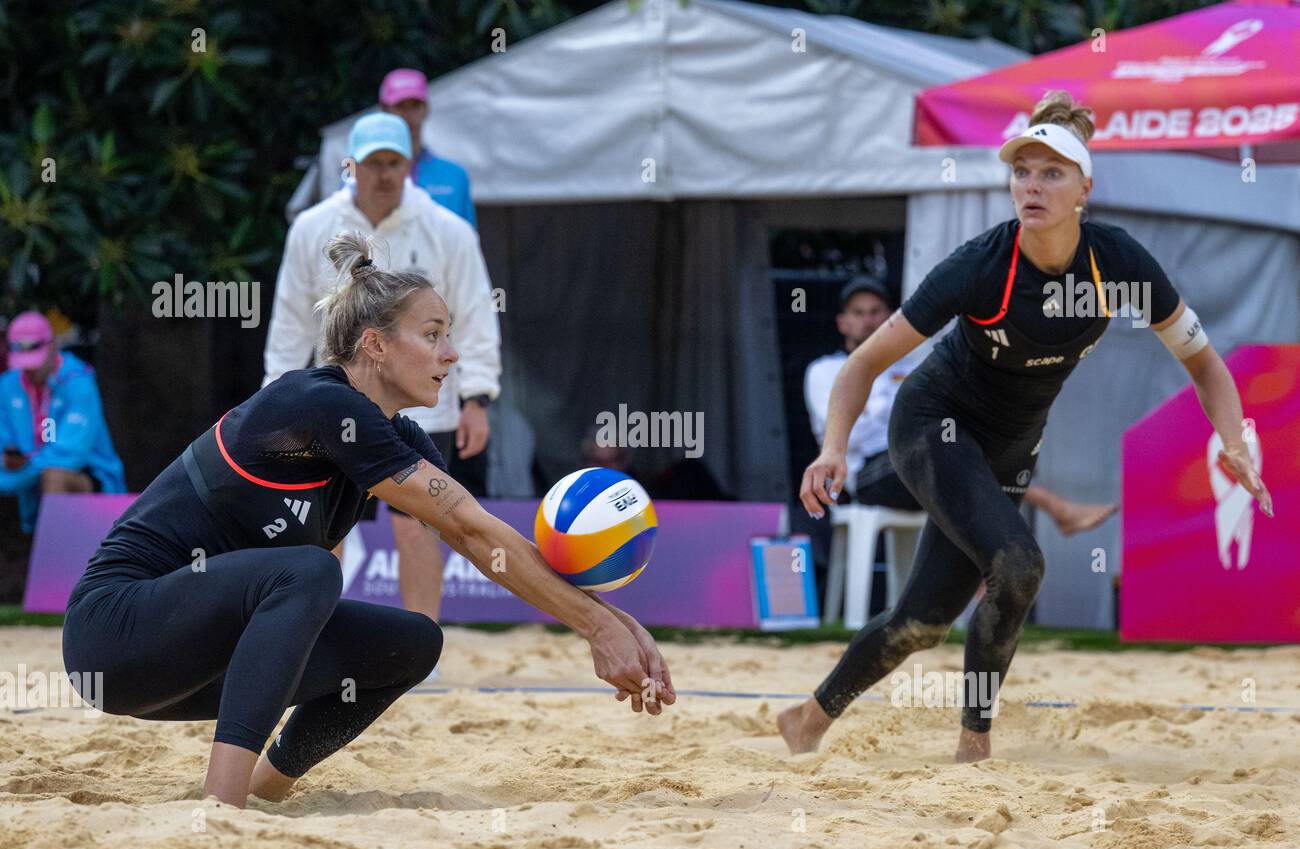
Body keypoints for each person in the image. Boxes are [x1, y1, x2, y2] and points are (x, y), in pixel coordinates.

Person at [64, 231, 675, 809]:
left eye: (449, 334)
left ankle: (260, 791)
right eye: (432, 333)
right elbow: (468, 528)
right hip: (116, 637)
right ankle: (221, 808)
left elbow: (481, 535)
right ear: (374, 345)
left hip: (194, 662)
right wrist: (596, 627)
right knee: (306, 574)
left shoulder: (393, 435)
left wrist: (619, 623)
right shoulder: (315, 401)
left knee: (411, 642)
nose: (451, 352)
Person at [779, 91, 1271, 764]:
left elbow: (1206, 365)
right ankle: (974, 746)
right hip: (935, 424)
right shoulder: (981, 265)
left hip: (1010, 450)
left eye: (1051, 173)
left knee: (921, 623)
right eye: (1021, 171)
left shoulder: (1118, 264)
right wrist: (832, 448)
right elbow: (863, 363)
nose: (1031, 186)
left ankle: (808, 717)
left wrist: (1236, 442)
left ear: (1083, 189)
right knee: (1020, 563)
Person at [263, 112, 500, 624]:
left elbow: (477, 313)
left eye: (394, 162)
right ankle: (315, 633)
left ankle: (421, 643)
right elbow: (290, 320)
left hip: (423, 407)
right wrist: (274, 395)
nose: (384, 173)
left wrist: (477, 397)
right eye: (374, 163)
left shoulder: (448, 229)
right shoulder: (312, 227)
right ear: (353, 166)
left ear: (409, 165)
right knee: (323, 527)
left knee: (419, 523)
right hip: (331, 402)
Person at [806, 277, 1116, 530]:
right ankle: (1054, 507)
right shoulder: (826, 370)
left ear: (888, 317)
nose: (868, 321)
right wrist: (894, 405)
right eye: (858, 313)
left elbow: (931, 409)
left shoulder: (908, 364)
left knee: (981, 453)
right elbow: (854, 435)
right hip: (868, 477)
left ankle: (986, 581)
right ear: (842, 323)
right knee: (949, 453)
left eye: (875, 312)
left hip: (917, 462)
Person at [0, 311, 126, 532]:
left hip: (89, 477)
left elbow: (71, 455)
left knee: (54, 476)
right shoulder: (8, 385)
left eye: (35, 361)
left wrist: (19, 471)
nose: (30, 369)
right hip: (28, 478)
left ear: (53, 347)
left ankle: (54, 559)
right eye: (24, 362)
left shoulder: (78, 384)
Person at [378, 68, 477, 229]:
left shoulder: (455, 176)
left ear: (426, 109)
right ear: (384, 110)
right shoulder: (360, 175)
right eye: (400, 106)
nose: (408, 114)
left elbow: (468, 243)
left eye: (415, 105)